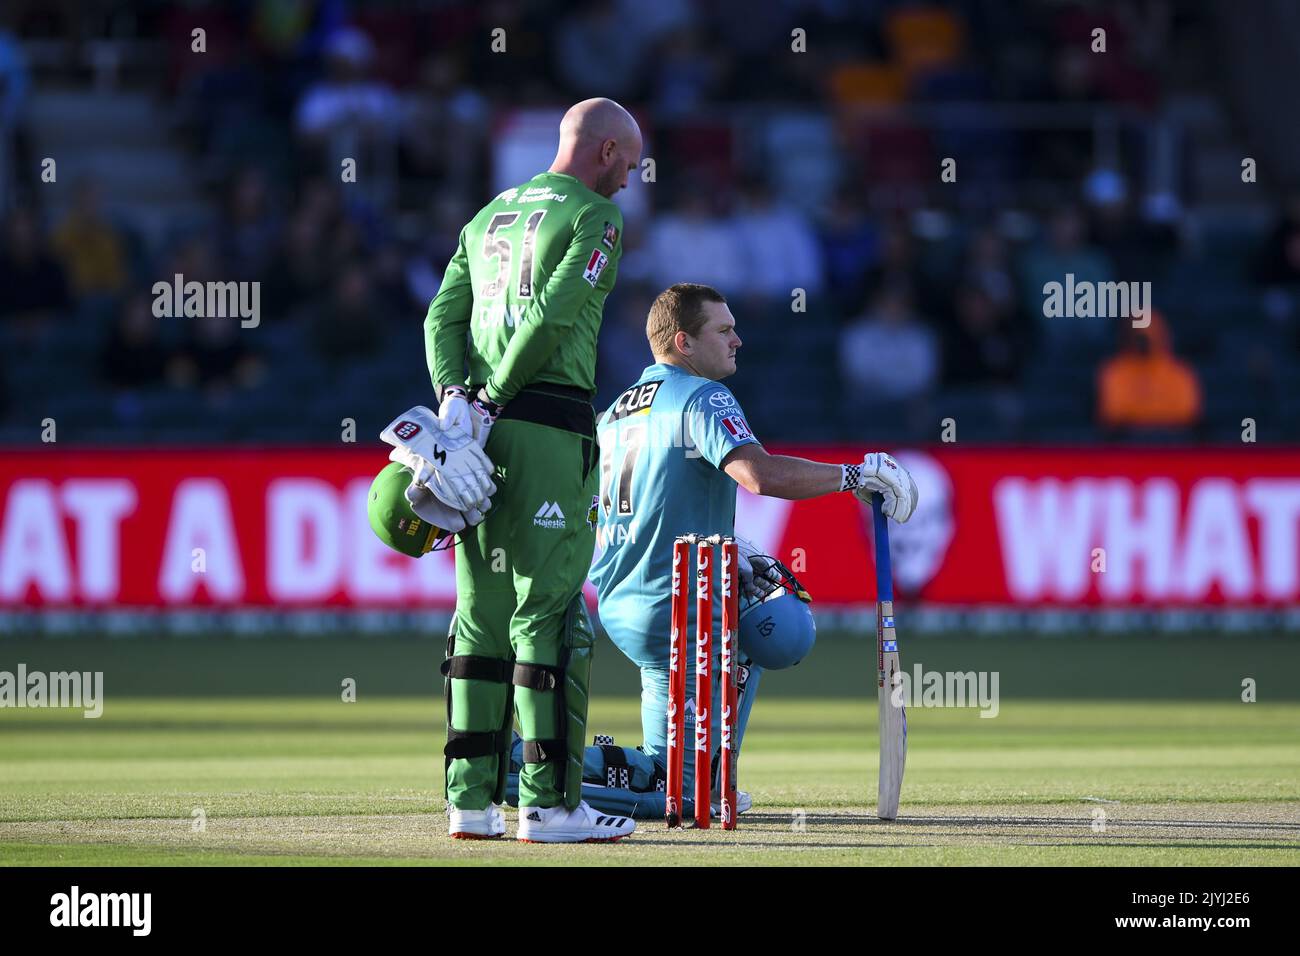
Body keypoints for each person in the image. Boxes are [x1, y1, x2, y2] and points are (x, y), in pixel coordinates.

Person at [505, 282, 919, 820]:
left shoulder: (613, 414)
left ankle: (541, 757)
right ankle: (529, 778)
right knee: (693, 794)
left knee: (664, 767)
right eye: (723, 330)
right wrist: (854, 476)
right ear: (684, 341)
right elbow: (757, 474)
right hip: (681, 609)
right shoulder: (702, 396)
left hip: (623, 602)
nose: (738, 340)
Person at [369, 98, 643, 843]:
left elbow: (440, 319)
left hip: (473, 442)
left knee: (479, 617)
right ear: (609, 151)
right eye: (632, 163)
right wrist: (489, 399)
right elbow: (554, 317)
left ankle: (470, 804)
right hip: (546, 429)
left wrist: (456, 398)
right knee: (549, 615)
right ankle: (550, 807)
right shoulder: (597, 218)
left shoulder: (488, 214)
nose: (632, 180)